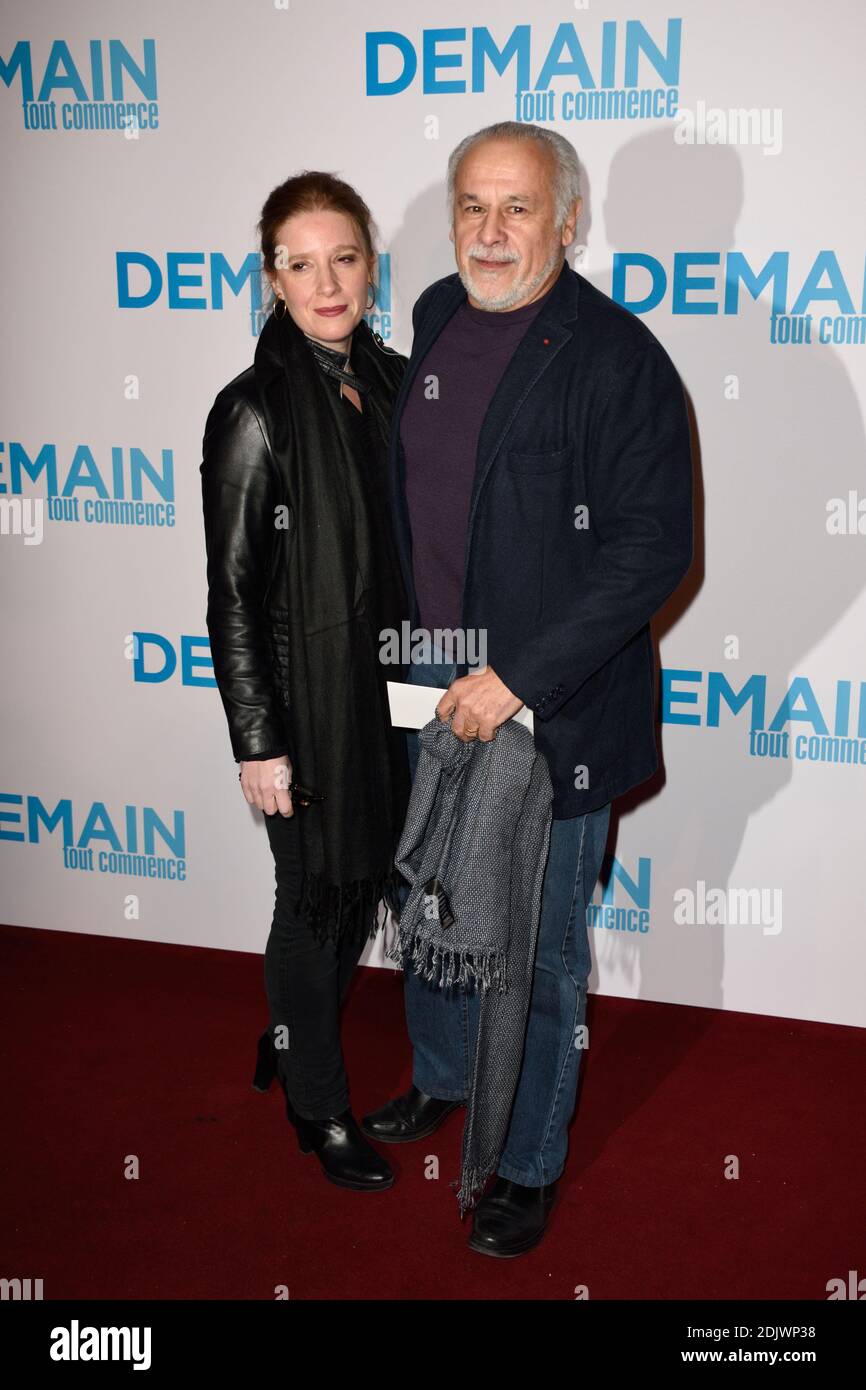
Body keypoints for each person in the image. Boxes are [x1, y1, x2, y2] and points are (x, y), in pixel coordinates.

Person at [362, 122, 694, 1255]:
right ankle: (447, 1074)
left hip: (546, 709)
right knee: (431, 905)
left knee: (539, 946)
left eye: (515, 208)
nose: (489, 232)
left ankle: (525, 1161)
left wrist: (514, 678)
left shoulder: (615, 357)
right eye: (470, 206)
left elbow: (648, 548)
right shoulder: (432, 322)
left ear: (565, 219)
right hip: (427, 683)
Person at [200, 171, 410, 1193]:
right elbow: (233, 596)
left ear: (371, 264)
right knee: (313, 900)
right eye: (300, 262)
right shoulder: (251, 411)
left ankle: (286, 1036)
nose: (326, 282)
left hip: (388, 700)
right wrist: (257, 739)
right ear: (270, 278)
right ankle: (316, 1104)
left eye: (344, 257)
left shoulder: (399, 383)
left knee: (359, 886)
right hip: (304, 712)